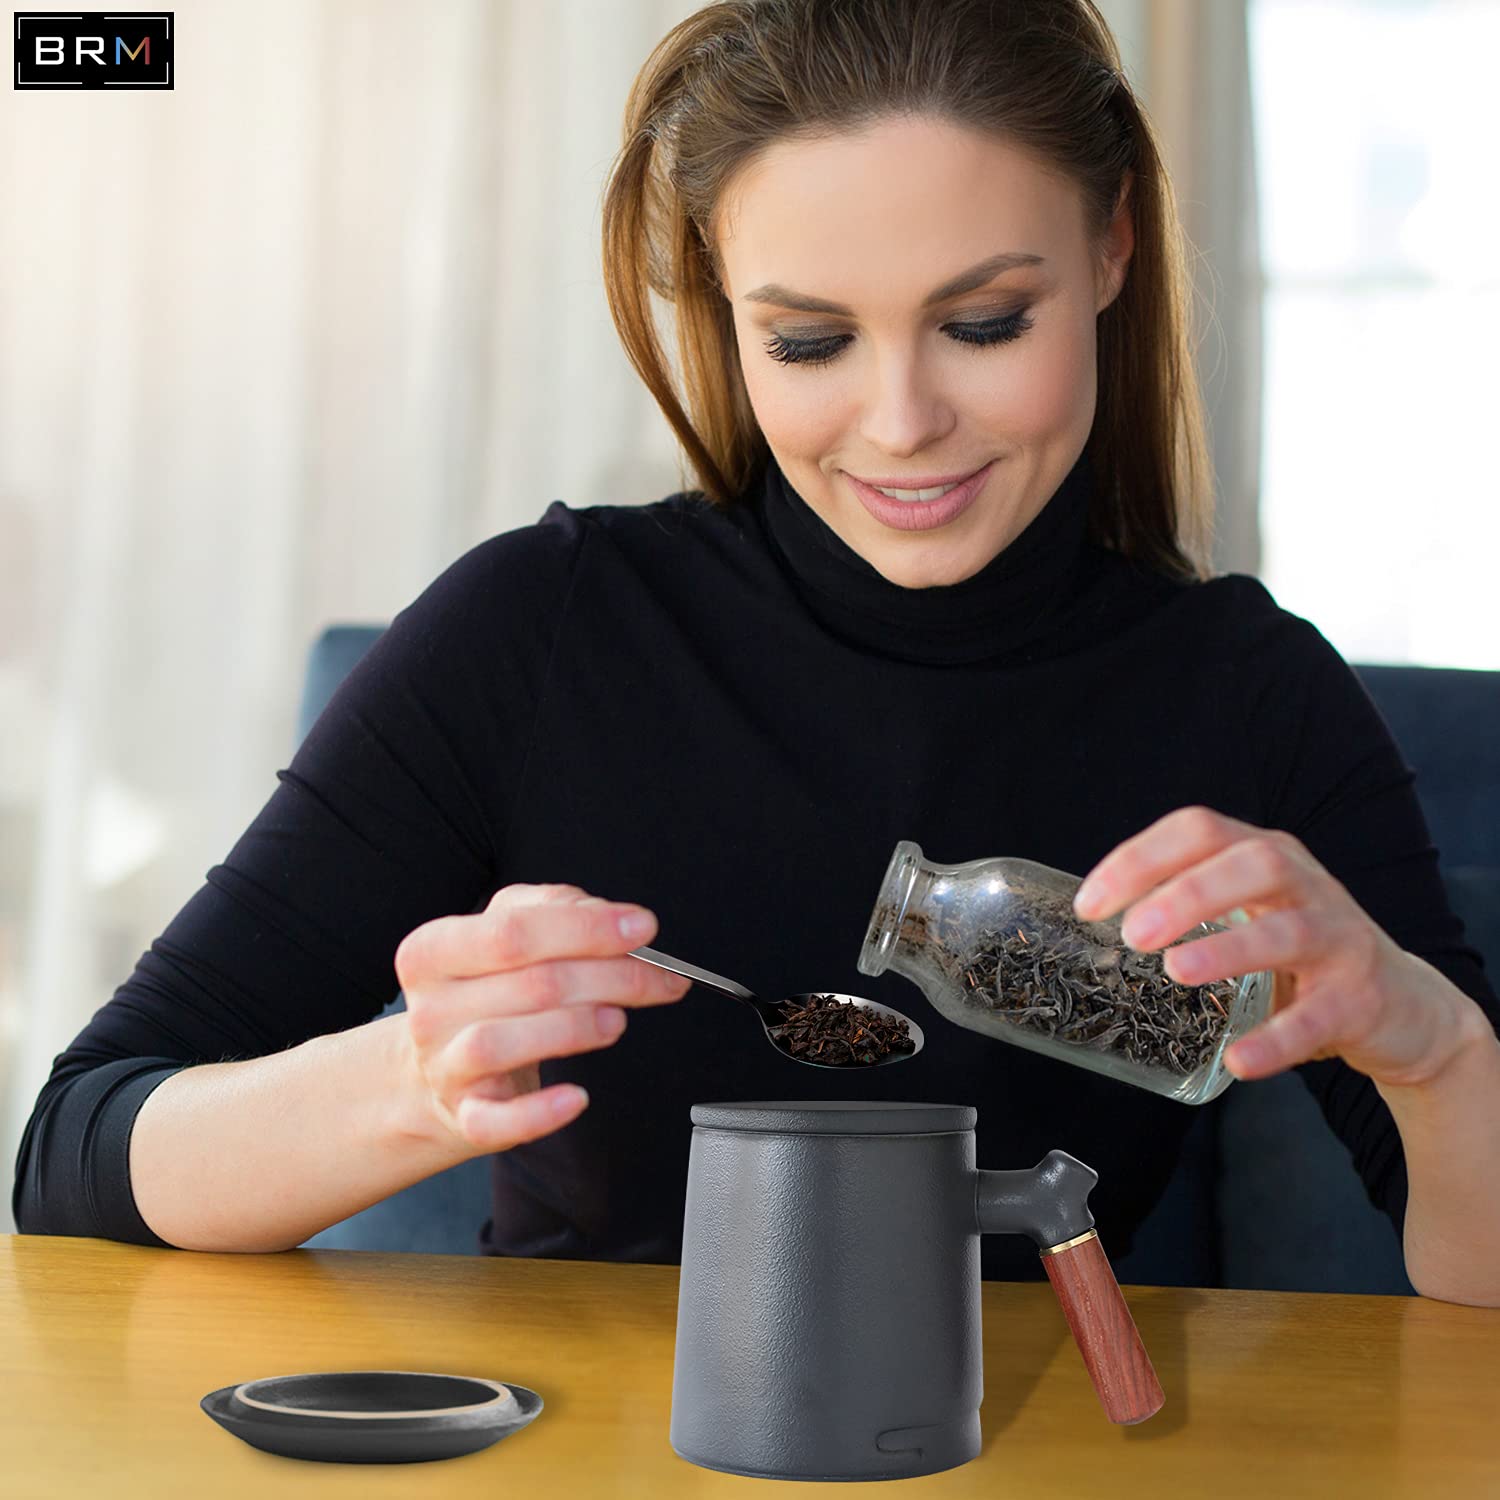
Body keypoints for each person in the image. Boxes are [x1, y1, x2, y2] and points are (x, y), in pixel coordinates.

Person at [13, 0, 1499, 1303]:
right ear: (722, 312)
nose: (902, 420)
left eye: (984, 320)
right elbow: (74, 1153)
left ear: (1111, 245)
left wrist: (1423, 1044)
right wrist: (407, 1085)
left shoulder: (1248, 696)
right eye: (808, 342)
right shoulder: (543, 635)